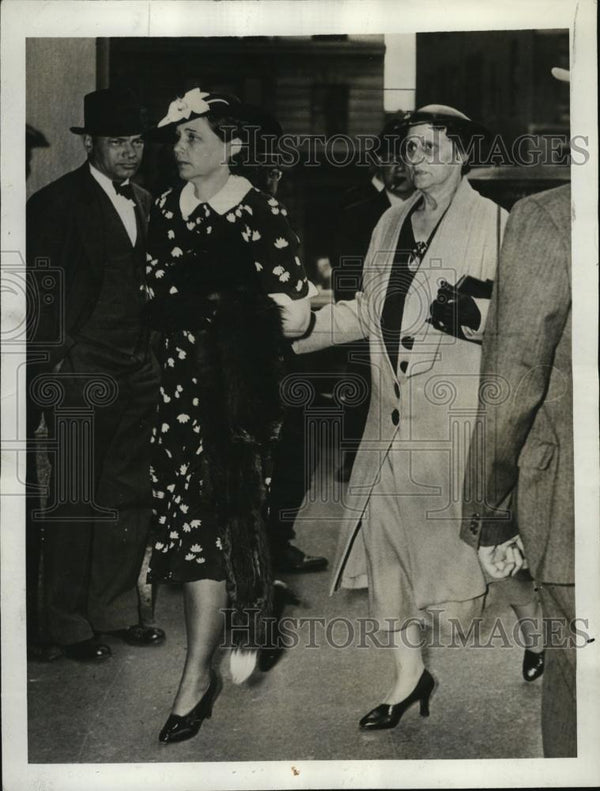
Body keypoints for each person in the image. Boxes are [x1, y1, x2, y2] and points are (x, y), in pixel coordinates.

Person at [294, 105, 542, 729]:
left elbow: (525, 325)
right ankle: (409, 677)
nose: (415, 158)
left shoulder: (499, 225)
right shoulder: (388, 222)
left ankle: (536, 625)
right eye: (409, 147)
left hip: (456, 425)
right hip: (390, 421)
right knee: (388, 556)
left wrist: (469, 317)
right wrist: (306, 325)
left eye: (429, 147)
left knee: (483, 554)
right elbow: (363, 311)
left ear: (461, 153)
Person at [142, 88, 313, 743]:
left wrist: (223, 307)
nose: (180, 149)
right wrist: (172, 309)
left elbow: (290, 304)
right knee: (187, 538)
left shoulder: (258, 210)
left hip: (236, 399)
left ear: (232, 146)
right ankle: (216, 651)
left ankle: (199, 670)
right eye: (178, 138)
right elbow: (151, 293)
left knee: (225, 526)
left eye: (195, 138)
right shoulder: (163, 207)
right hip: (174, 396)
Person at [26, 88, 165, 662]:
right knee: (76, 498)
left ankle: (113, 610)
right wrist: (56, 362)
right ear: (91, 144)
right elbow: (40, 290)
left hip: (138, 368)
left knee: (128, 494)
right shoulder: (55, 203)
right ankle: (65, 622)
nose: (129, 153)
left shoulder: (149, 202)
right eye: (117, 143)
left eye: (136, 142)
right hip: (82, 370)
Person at [461, 64, 575, 760]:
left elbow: (511, 386)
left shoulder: (550, 218)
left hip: (574, 513)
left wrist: (489, 514)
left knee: (578, 682)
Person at [332, 115, 416, 482]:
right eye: (392, 158)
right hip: (368, 324)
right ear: (378, 162)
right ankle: (355, 459)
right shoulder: (358, 211)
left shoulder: (429, 211)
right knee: (362, 389)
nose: (400, 167)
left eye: (407, 157)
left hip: (414, 325)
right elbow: (347, 277)